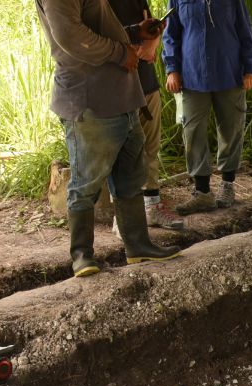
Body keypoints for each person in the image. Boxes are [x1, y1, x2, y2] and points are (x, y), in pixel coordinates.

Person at [35, 0, 181, 277]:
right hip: (90, 98)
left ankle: (138, 245)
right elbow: (70, 36)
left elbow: (97, 28)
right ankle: (82, 256)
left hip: (122, 96)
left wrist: (136, 33)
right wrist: (120, 51)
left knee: (130, 177)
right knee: (86, 182)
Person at [163, 0, 252, 214]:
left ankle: (227, 185)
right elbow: (171, 34)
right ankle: (202, 192)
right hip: (192, 74)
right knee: (192, 130)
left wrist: (250, 68)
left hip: (230, 72)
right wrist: (172, 69)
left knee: (231, 128)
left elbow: (245, 30)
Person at [105, 0, 184, 229]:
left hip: (147, 84)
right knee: (119, 154)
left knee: (150, 148)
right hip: (116, 86)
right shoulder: (96, 4)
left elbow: (155, 26)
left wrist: (152, 46)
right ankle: (121, 219)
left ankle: (152, 207)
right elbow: (95, 39)